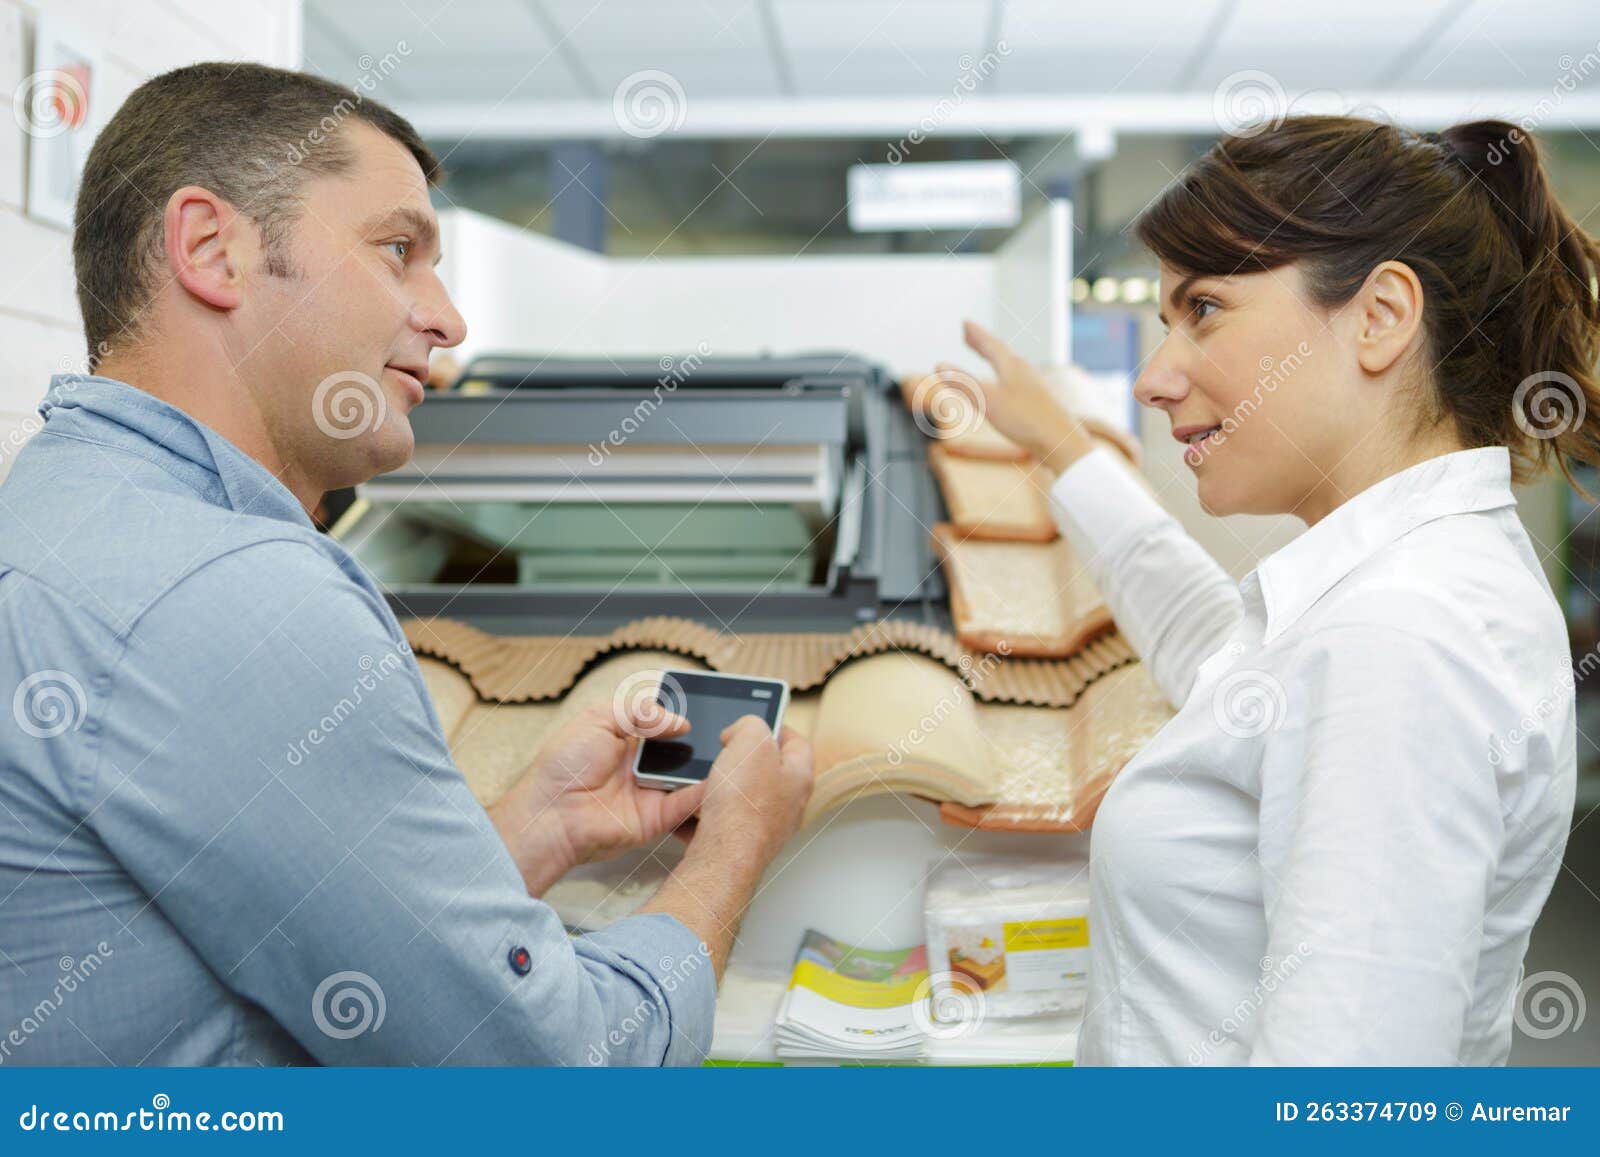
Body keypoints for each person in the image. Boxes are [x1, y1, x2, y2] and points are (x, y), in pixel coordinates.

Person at [0, 62, 813, 1067]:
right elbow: (548, 1080)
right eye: (397, 251)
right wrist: (735, 850)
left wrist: (538, 826)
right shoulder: (231, 590)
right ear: (212, 251)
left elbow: (309, 948)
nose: (448, 318)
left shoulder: (60, 510)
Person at [949, 116, 1594, 1064]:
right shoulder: (1394, 586)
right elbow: (1216, 654)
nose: (1153, 377)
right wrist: (1060, 446)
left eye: (1202, 309)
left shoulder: (1401, 636)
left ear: (1379, 318)